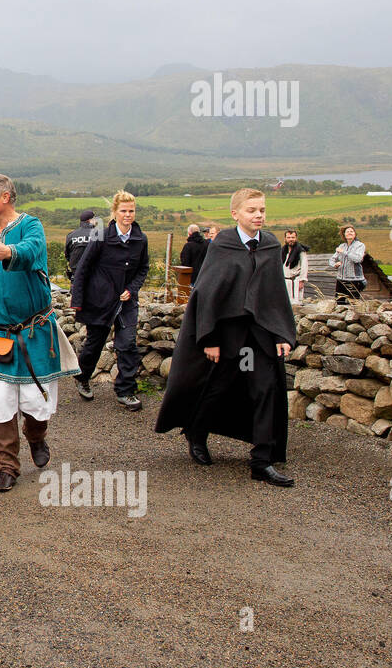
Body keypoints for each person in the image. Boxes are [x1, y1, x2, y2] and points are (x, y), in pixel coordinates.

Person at [155, 189, 297, 487]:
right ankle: (196, 432)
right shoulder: (224, 244)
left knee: (264, 389)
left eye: (262, 210)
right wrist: (210, 339)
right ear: (235, 214)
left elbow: (274, 293)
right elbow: (207, 292)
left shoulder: (270, 245)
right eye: (251, 210)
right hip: (228, 334)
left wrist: (282, 332)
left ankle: (261, 460)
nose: (258, 215)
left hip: (258, 335)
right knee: (216, 389)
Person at [0, 172, 79, 493]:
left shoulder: (31, 225)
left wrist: (9, 253)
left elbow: (31, 251)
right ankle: (6, 467)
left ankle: (36, 436)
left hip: (34, 331)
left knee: (36, 403)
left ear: (6, 197)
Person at [70, 190, 149, 411]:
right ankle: (83, 377)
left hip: (126, 303)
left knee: (127, 345)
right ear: (114, 213)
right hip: (100, 300)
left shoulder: (140, 239)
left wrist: (131, 289)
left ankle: (126, 391)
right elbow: (83, 268)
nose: (128, 215)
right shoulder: (100, 236)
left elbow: (143, 269)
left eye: (131, 211)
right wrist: (77, 300)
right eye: (123, 211)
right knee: (94, 344)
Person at [330, 225, 366, 303]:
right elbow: (332, 260)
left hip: (355, 280)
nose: (349, 233)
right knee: (339, 303)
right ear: (344, 235)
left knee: (353, 303)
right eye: (347, 231)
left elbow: (358, 259)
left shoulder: (360, 245)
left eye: (351, 231)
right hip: (341, 279)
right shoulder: (341, 246)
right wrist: (334, 264)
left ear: (355, 234)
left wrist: (344, 252)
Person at [63, 209, 97, 281]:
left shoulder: (71, 235)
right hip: (94, 276)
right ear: (89, 220)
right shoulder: (99, 234)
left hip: (76, 276)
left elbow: (67, 255)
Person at [281, 228, 310, 303]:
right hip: (285, 281)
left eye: (293, 237)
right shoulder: (282, 251)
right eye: (288, 237)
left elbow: (304, 266)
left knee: (296, 303)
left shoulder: (300, 251)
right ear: (285, 238)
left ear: (296, 238)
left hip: (296, 281)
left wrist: (302, 281)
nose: (291, 239)